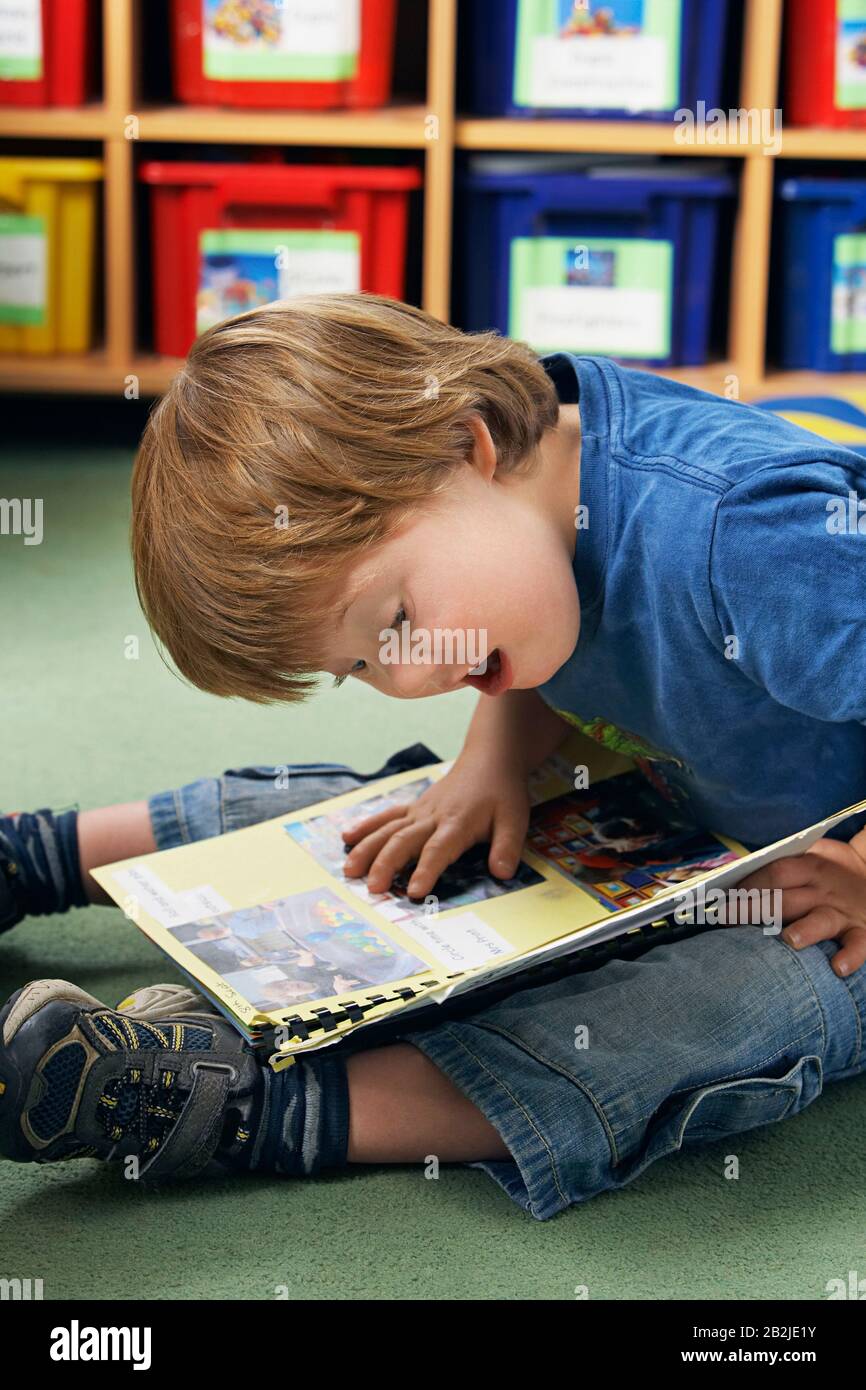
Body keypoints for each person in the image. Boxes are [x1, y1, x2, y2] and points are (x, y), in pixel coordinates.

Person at [1, 293, 865, 1219]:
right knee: (417, 817)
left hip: (830, 887)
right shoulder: (529, 489)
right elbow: (552, 610)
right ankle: (40, 854)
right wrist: (490, 760)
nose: (408, 680)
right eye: (360, 668)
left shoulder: (754, 540)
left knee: (743, 1000)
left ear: (469, 447)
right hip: (676, 802)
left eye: (400, 624)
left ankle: (255, 1111)